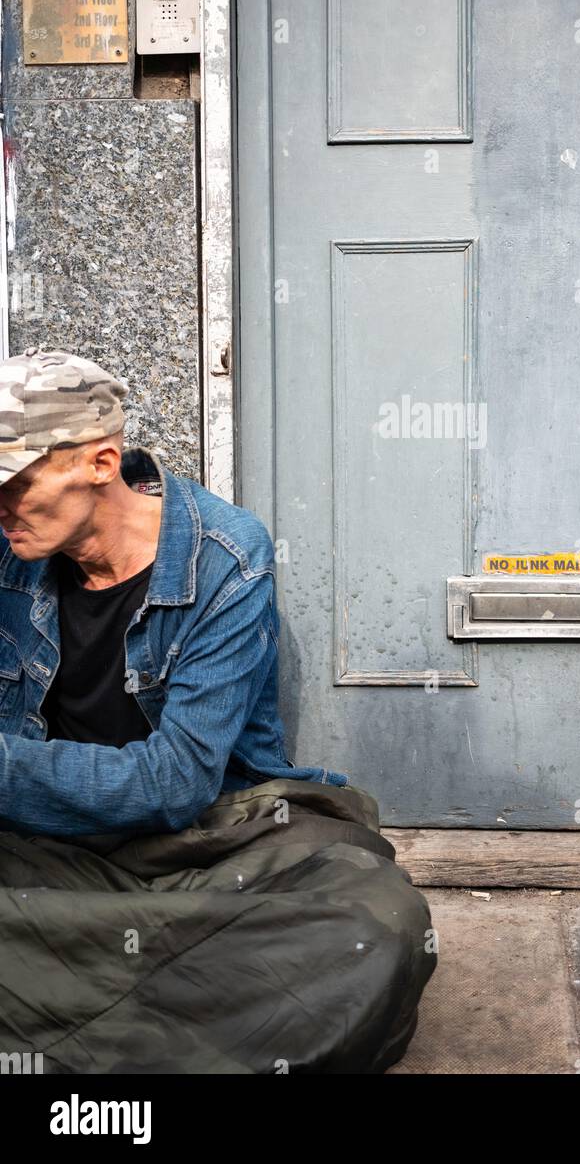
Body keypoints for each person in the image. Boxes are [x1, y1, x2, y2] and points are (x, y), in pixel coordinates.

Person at [0, 345, 348, 837]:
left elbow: (178, 782)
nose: (2, 506)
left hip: (200, 837)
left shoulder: (223, 560)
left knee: (364, 904)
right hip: (42, 827)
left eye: (12, 484)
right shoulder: (14, 546)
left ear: (101, 464)